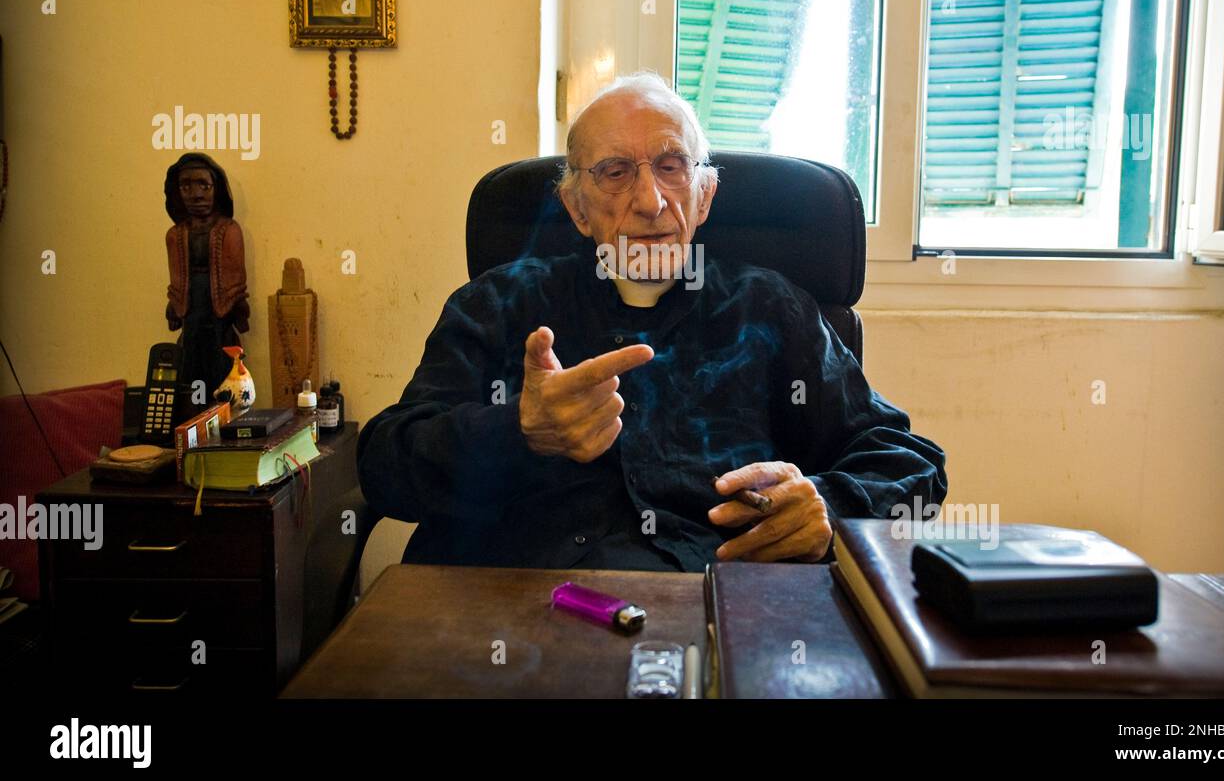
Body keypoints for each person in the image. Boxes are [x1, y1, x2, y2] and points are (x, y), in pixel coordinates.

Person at [358, 72, 946, 572]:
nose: (651, 201)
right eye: (615, 172)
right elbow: (383, 465)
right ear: (577, 208)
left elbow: (909, 462)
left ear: (705, 196)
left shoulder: (772, 308)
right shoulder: (498, 302)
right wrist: (516, 430)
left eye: (671, 167)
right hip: (515, 610)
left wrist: (826, 505)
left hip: (711, 601)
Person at [164, 152, 250, 414]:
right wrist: (174, 302)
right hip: (191, 309)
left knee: (221, 358)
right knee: (190, 360)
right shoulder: (176, 234)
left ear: (217, 189)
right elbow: (177, 274)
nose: (196, 194)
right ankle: (196, 414)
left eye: (204, 185)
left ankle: (222, 411)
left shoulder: (229, 230)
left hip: (218, 309)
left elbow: (235, 271)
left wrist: (237, 304)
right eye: (186, 186)